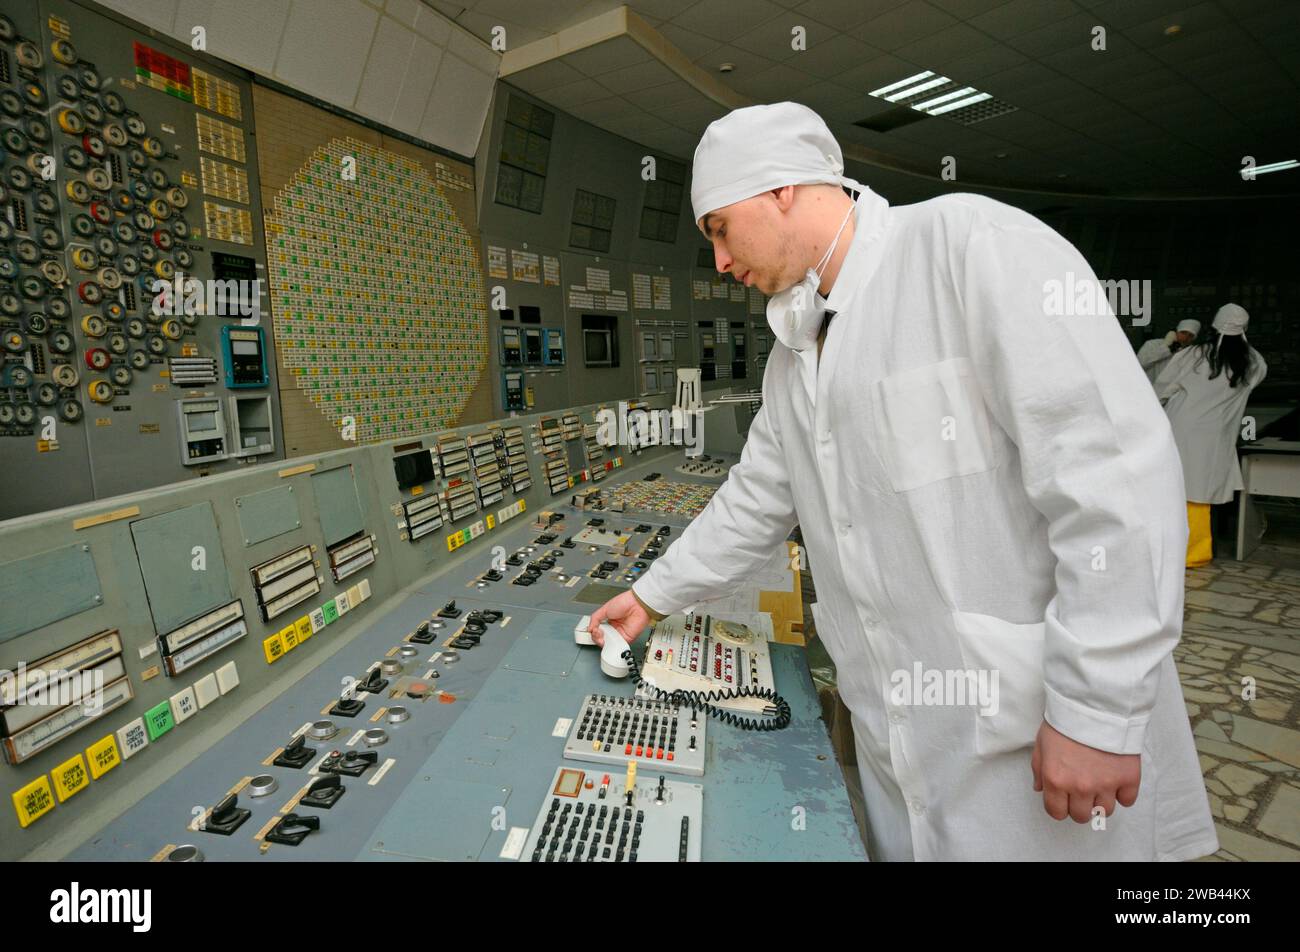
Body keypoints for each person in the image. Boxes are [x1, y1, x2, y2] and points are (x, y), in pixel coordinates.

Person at [588, 102, 1216, 862]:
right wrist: (652, 596)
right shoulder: (794, 355)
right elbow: (754, 503)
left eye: (720, 228)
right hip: (901, 742)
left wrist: (1096, 709)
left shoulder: (972, 248)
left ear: (781, 188)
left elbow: (1116, 483)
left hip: (1032, 732)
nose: (719, 261)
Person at [1154, 304, 1267, 567]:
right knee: (1200, 492)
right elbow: (1256, 378)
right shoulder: (1252, 362)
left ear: (1213, 326)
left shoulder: (1193, 354)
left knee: (1172, 488)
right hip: (1215, 435)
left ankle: (1165, 551)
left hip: (1180, 425)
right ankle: (1194, 553)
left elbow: (1163, 386)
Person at [1137, 318, 1201, 384]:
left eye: (1190, 336)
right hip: (1149, 388)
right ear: (1175, 332)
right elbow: (1140, 364)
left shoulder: (1191, 353)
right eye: (1183, 333)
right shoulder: (1152, 344)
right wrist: (1167, 348)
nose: (1186, 338)